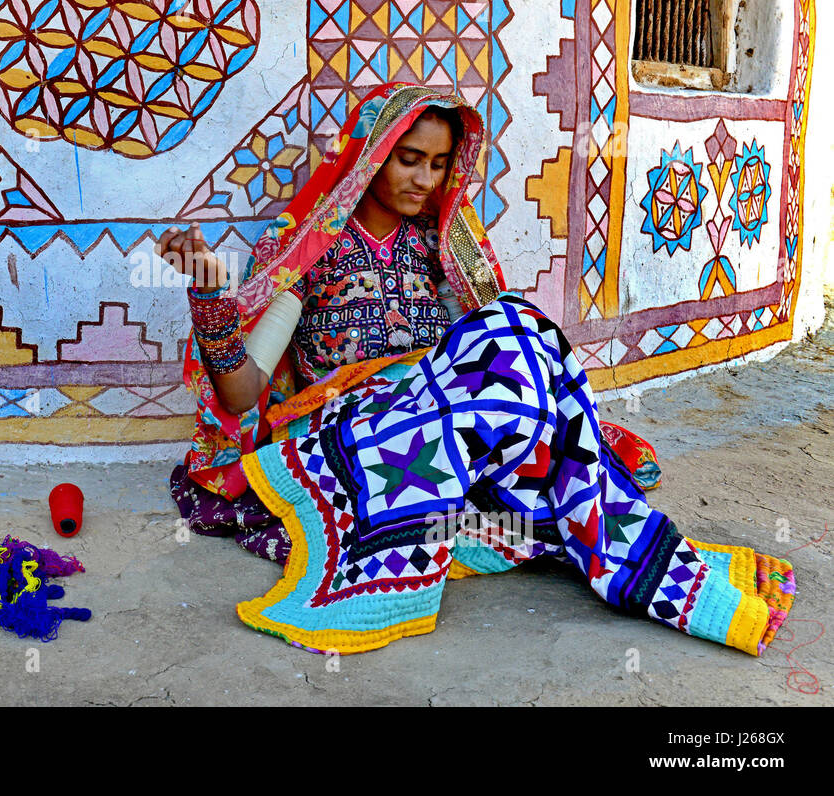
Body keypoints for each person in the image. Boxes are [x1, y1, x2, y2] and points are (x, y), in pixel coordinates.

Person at [156, 81, 795, 656]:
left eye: (438, 165)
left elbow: (503, 359)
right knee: (514, 343)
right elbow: (243, 398)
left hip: (445, 418)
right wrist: (211, 296)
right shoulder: (310, 249)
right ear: (372, 156)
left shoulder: (445, 244)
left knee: (518, 325)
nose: (425, 180)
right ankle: (622, 550)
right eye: (409, 160)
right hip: (361, 424)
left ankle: (623, 546)